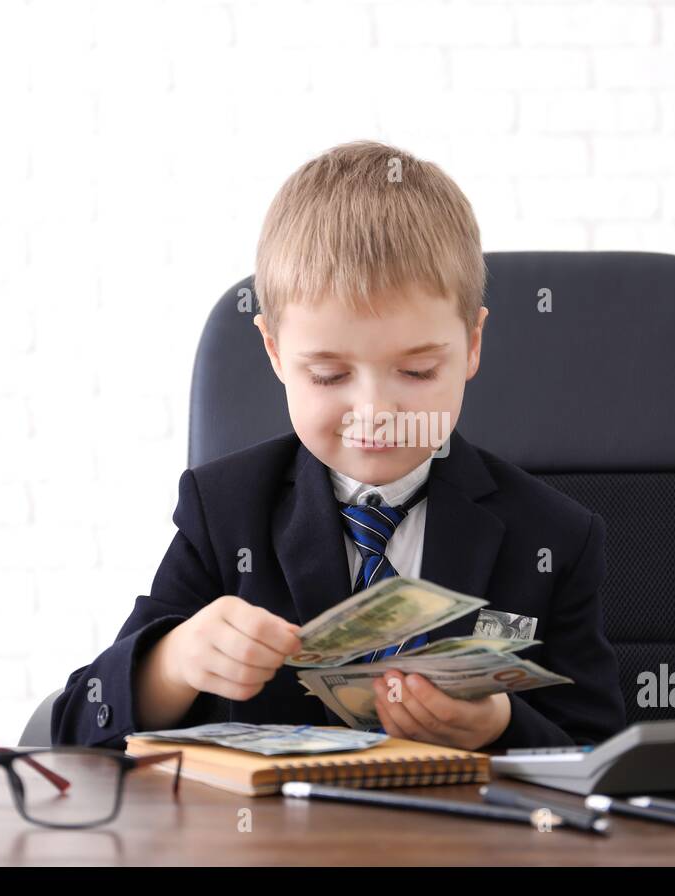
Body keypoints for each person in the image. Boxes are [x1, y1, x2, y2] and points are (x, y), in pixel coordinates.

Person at [52, 140, 626, 752]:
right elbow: (76, 728)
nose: (376, 412)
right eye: (328, 376)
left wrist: (502, 725)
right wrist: (171, 666)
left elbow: (598, 754)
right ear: (274, 353)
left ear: (473, 345)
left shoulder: (552, 536)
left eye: (418, 371)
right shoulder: (225, 513)